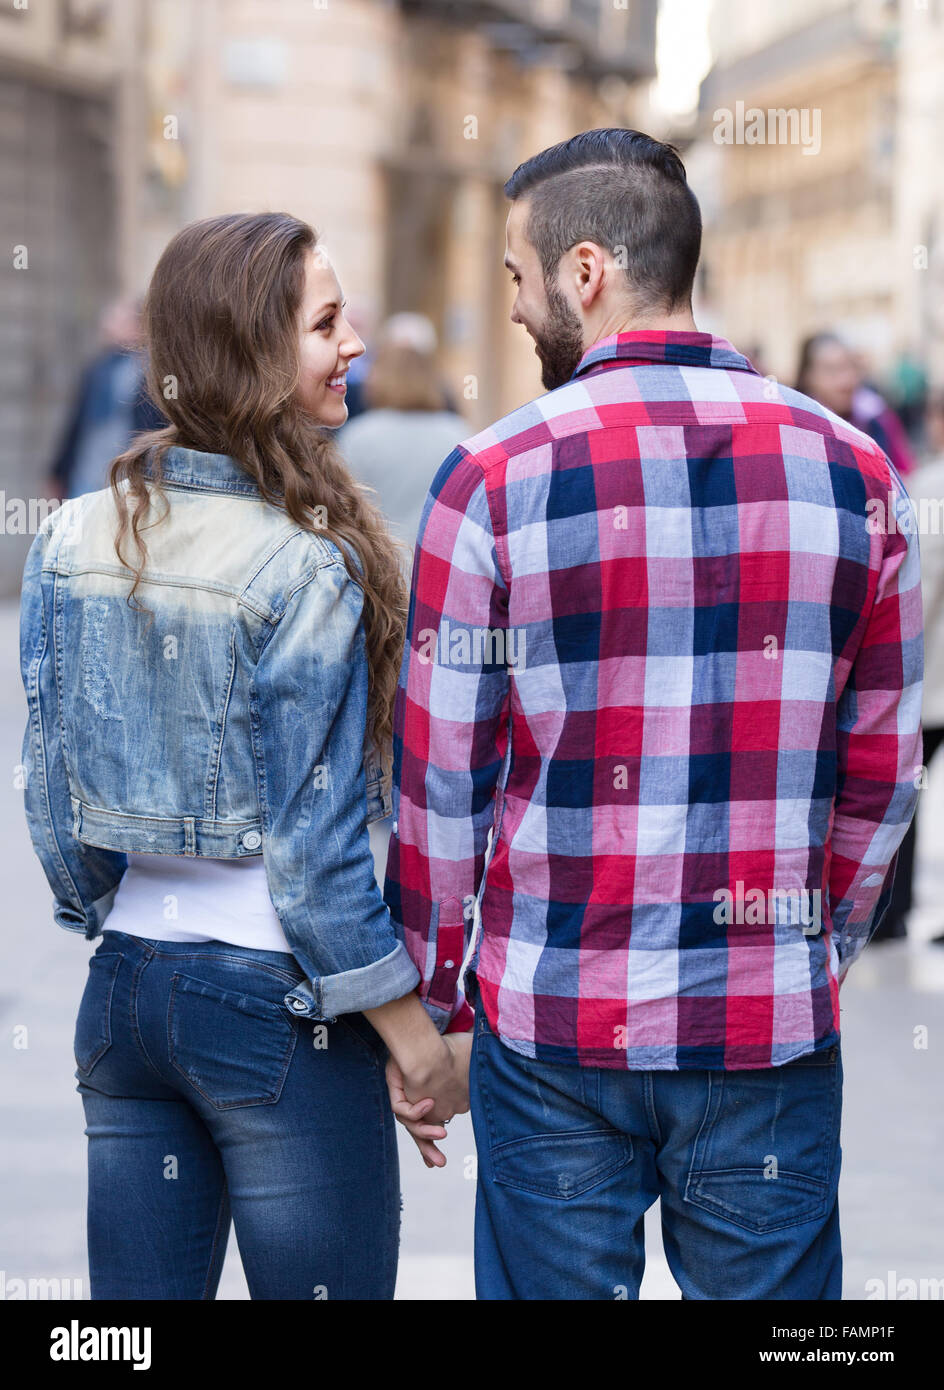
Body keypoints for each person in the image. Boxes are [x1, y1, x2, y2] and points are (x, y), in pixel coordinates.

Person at [383, 129, 923, 1299]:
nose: (518, 312)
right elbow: (882, 774)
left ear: (586, 272)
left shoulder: (490, 479)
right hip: (762, 1029)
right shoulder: (855, 475)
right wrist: (802, 951)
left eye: (520, 279)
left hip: (553, 1023)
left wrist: (431, 1009)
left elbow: (438, 786)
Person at [18, 212, 469, 1301]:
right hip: (277, 1009)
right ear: (251, 347)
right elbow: (314, 855)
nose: (354, 339)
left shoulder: (72, 535)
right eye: (326, 321)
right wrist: (413, 1038)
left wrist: (120, 911)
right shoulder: (306, 563)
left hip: (124, 994)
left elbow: (47, 799)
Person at [881, 388, 944, 943]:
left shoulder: (932, 487)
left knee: (910, 791)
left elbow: (923, 590)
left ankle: (894, 912)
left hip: (934, 679)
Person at [338, 339, 468, 558]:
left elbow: (343, 511)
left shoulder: (359, 436)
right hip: (440, 562)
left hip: (378, 564)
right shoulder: (458, 434)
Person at [47, 296, 165, 500]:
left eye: (118, 317)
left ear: (138, 324)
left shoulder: (153, 370)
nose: (108, 322)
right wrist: (58, 472)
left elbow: (155, 428)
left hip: (127, 476)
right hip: (87, 474)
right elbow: (79, 425)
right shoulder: (98, 368)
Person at [796, 331, 916, 477]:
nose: (845, 380)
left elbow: (905, 472)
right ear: (807, 377)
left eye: (849, 368)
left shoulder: (879, 419)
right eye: (831, 370)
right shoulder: (798, 427)